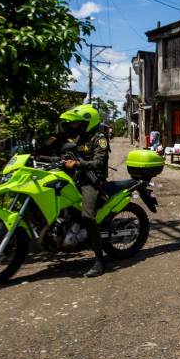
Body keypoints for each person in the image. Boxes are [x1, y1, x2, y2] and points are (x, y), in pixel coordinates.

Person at [59, 104, 111, 277]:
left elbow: (98, 162)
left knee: (87, 217)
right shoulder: (80, 139)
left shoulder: (99, 138)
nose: (73, 126)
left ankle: (99, 260)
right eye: (73, 124)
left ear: (88, 122)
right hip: (79, 179)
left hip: (93, 182)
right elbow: (69, 154)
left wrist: (78, 164)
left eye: (76, 123)